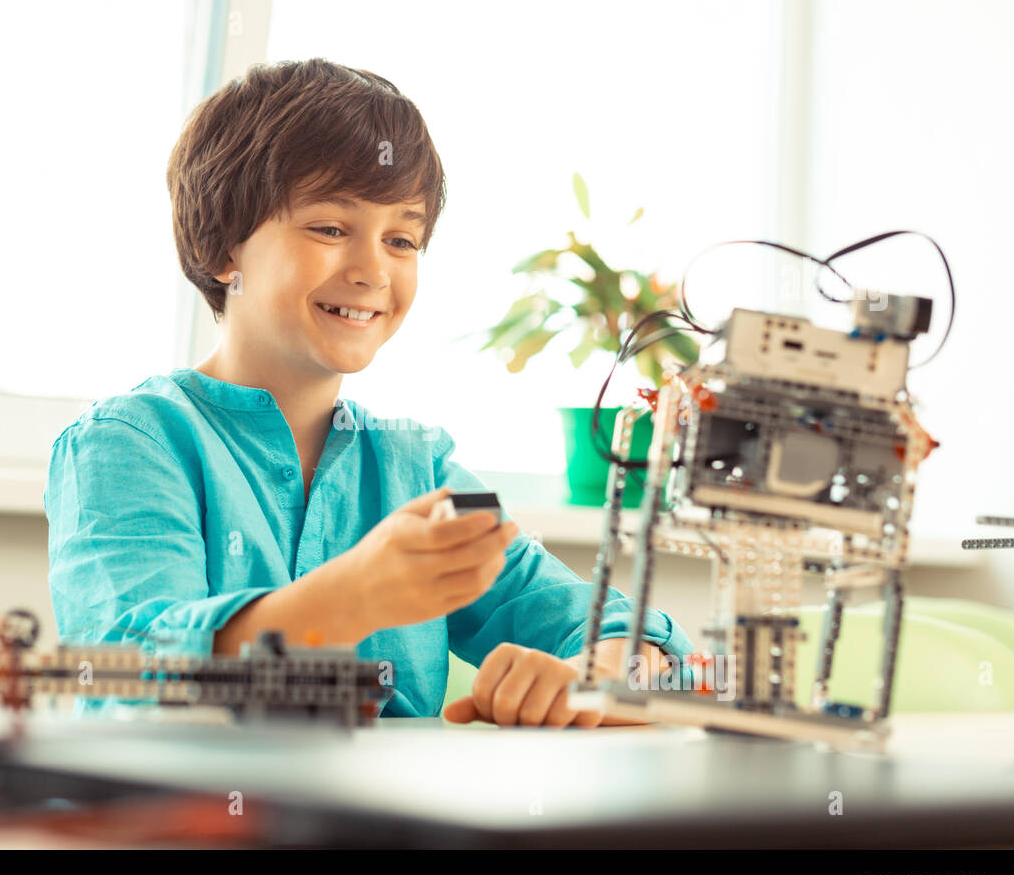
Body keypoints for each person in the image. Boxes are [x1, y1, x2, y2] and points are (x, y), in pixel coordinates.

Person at [44, 58, 694, 727]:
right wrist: (351, 598)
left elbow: (626, 634)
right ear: (223, 251)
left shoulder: (423, 466)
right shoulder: (128, 443)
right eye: (329, 228)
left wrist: (592, 676)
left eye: (402, 239)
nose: (371, 270)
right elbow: (131, 673)